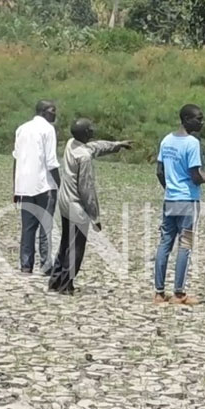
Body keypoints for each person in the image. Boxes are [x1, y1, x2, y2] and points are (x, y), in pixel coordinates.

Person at [48, 119, 132, 295]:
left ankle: (55, 281)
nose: (93, 131)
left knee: (65, 243)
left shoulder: (71, 144)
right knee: (76, 248)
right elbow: (86, 189)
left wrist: (116, 145)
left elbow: (95, 147)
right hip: (76, 205)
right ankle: (66, 285)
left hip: (64, 201)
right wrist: (95, 216)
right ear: (86, 133)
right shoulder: (84, 157)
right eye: (90, 130)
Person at [154, 104, 205, 305]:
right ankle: (179, 293)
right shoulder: (192, 143)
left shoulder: (166, 140)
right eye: (198, 119)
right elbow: (195, 176)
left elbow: (159, 171)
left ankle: (159, 292)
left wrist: (170, 188)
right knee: (185, 245)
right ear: (187, 119)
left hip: (170, 199)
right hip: (187, 200)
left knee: (165, 243)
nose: (201, 123)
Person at [13, 100, 60, 275]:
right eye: (52, 110)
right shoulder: (48, 129)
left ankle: (26, 265)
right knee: (45, 227)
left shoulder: (22, 129)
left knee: (27, 228)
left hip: (24, 186)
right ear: (43, 111)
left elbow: (16, 159)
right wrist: (60, 185)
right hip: (44, 185)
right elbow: (51, 161)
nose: (55, 114)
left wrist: (15, 187)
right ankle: (46, 265)